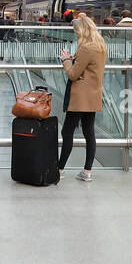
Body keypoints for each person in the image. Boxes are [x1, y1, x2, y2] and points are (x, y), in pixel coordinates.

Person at [57, 13, 107, 182]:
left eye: (76, 30)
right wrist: (73, 60)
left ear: (83, 30)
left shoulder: (86, 47)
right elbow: (87, 68)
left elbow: (73, 74)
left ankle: (60, 169)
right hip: (93, 94)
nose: (76, 33)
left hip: (80, 97)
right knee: (89, 132)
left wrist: (65, 60)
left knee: (67, 131)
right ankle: (87, 171)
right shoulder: (100, 45)